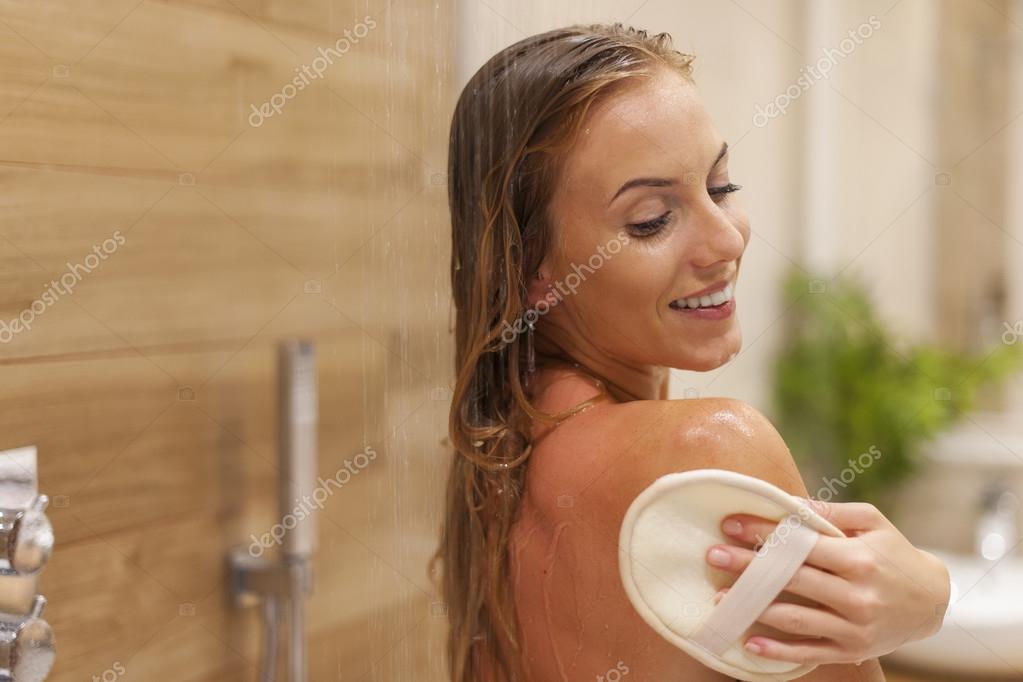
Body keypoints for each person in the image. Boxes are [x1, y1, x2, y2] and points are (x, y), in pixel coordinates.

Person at [435, 22, 950, 682]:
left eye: (720, 187)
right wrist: (932, 600)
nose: (724, 240)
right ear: (531, 268)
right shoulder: (707, 454)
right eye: (651, 219)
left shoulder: (496, 462)